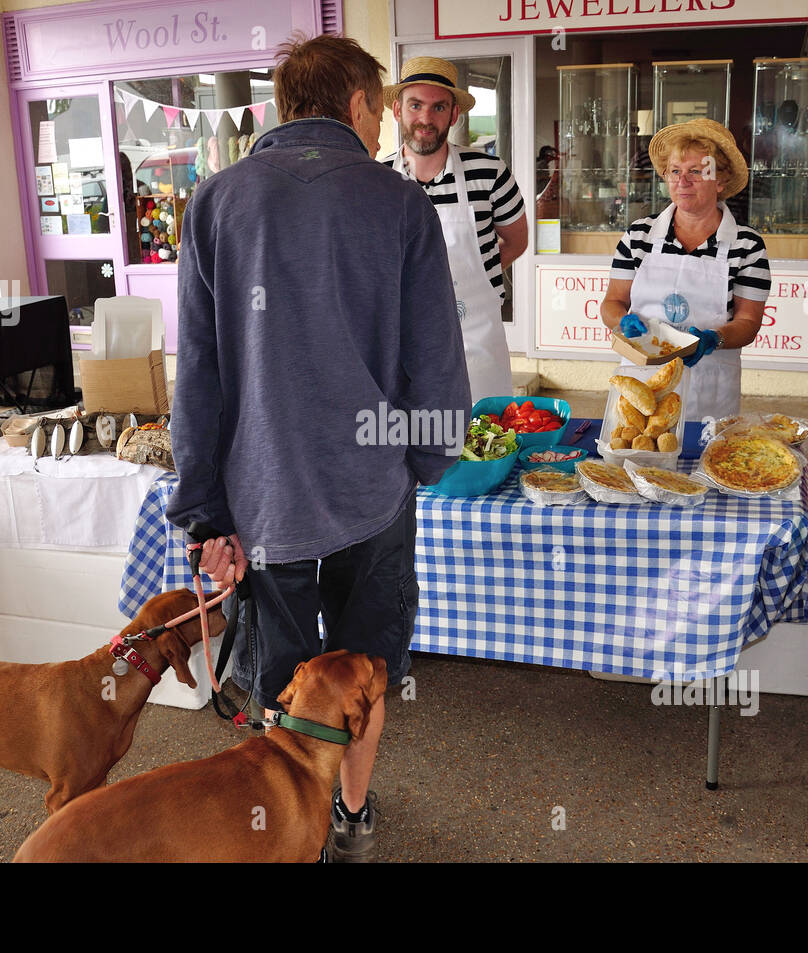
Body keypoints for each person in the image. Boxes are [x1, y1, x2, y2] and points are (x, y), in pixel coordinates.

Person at [165, 34, 471, 863]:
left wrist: (203, 513)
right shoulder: (400, 203)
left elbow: (194, 374)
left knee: (285, 682)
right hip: (372, 491)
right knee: (366, 668)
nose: (381, 131)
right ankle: (353, 817)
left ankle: (283, 828)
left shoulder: (215, 202)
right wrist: (427, 462)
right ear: (359, 104)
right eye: (379, 110)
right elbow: (436, 364)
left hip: (264, 500)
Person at [599, 118, 770, 436]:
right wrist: (622, 322)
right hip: (641, 378)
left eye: (696, 171)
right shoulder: (639, 235)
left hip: (710, 386)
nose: (682, 181)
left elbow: (748, 323)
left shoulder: (747, 245)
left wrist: (713, 339)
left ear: (720, 180)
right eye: (675, 171)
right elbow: (613, 302)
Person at [381, 57, 529, 404]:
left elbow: (517, 240)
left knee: (485, 440)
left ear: (454, 115)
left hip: (476, 341)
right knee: (416, 440)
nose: (426, 119)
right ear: (397, 109)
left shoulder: (490, 172)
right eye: (415, 105)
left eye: (439, 107)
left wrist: (477, 283)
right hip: (403, 343)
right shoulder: (376, 179)